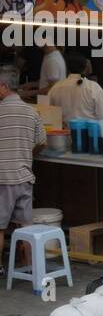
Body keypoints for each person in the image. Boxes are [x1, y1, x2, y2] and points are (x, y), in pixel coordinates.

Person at [0, 72, 46, 278]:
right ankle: (31, 269)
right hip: (25, 176)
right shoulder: (32, 112)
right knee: (27, 226)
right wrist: (28, 155)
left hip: (3, 178)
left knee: (0, 227)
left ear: (3, 86)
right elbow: (42, 142)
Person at [47, 53, 103, 124]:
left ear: (67, 69)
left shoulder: (56, 87)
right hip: (89, 133)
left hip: (63, 133)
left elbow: (48, 115)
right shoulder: (93, 87)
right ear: (85, 69)